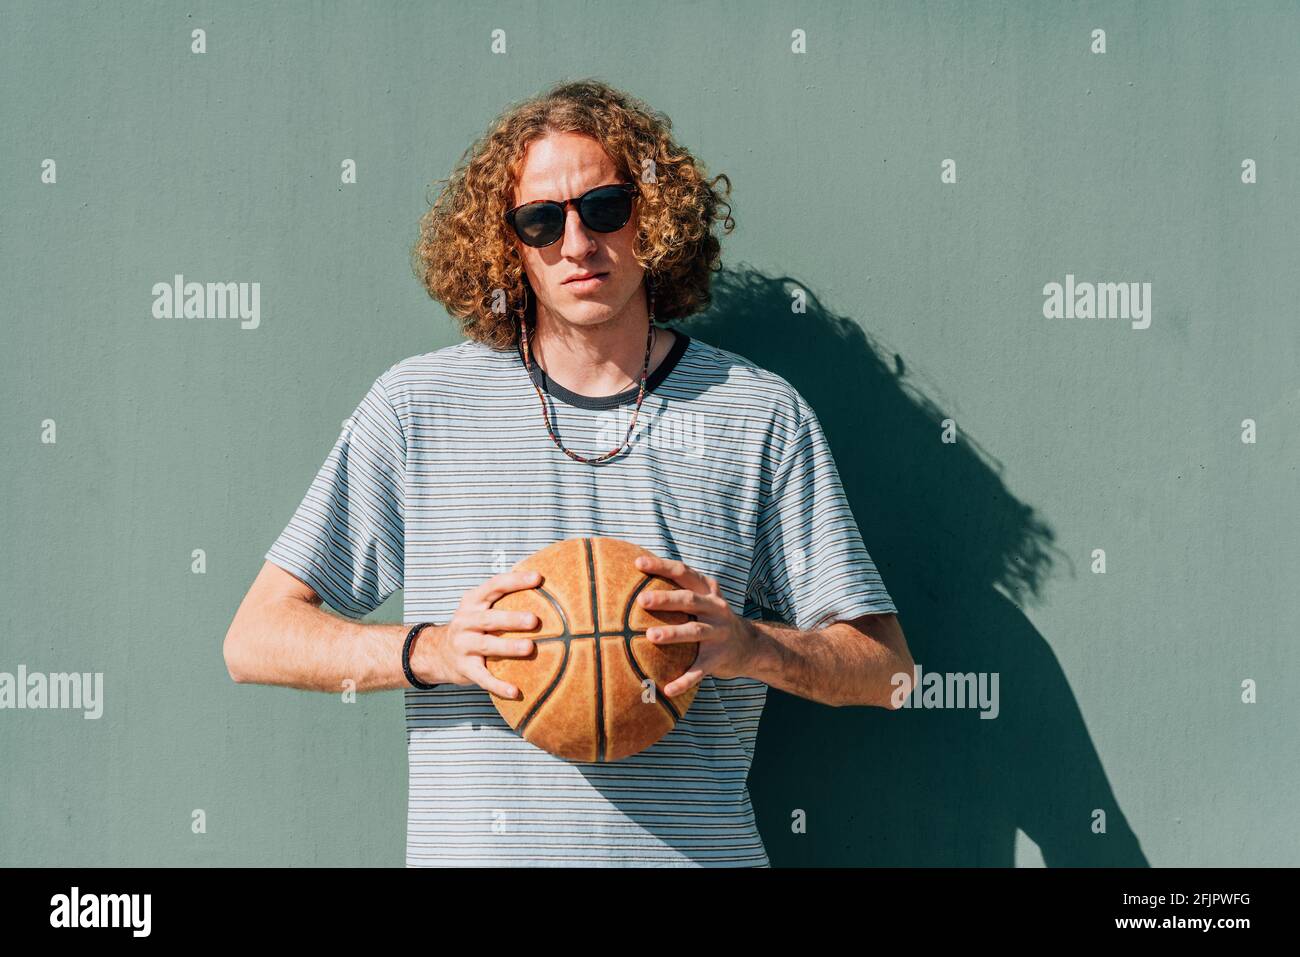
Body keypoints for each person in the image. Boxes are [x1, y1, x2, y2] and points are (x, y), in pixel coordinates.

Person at [223, 78, 914, 867]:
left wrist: (751, 644)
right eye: (540, 221)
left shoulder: (756, 414)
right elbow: (256, 638)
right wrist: (437, 650)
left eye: (605, 207)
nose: (577, 242)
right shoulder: (419, 406)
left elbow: (888, 672)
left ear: (653, 217)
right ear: (507, 244)